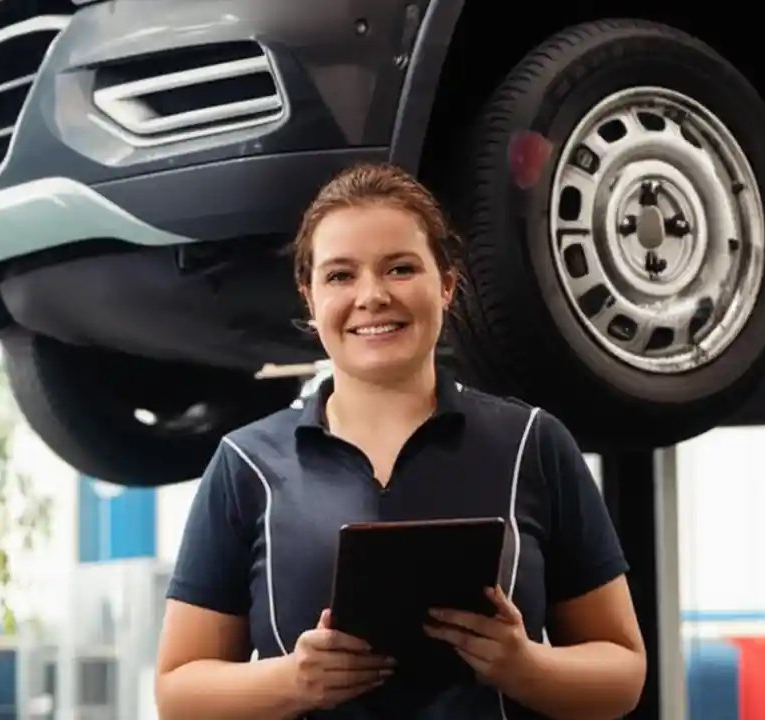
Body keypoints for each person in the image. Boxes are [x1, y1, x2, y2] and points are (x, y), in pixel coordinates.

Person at [153, 162, 646, 719]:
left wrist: (524, 666)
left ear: (447, 284)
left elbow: (622, 672)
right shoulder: (247, 464)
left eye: (400, 268)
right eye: (340, 275)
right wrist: (294, 680)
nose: (372, 296)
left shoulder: (533, 443)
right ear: (310, 299)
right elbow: (179, 693)